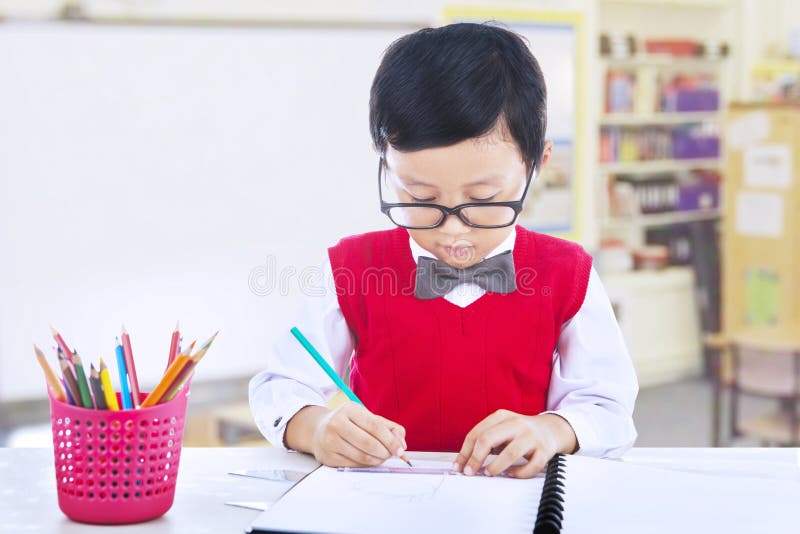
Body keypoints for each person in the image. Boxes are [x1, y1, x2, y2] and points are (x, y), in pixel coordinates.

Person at [249, 22, 638, 479]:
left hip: (513, 502)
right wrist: (315, 427)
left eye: (485, 200)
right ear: (385, 162)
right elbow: (281, 386)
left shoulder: (567, 273)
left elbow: (608, 406)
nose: (454, 231)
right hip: (381, 504)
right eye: (419, 198)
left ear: (539, 164)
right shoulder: (350, 269)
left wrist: (552, 430)